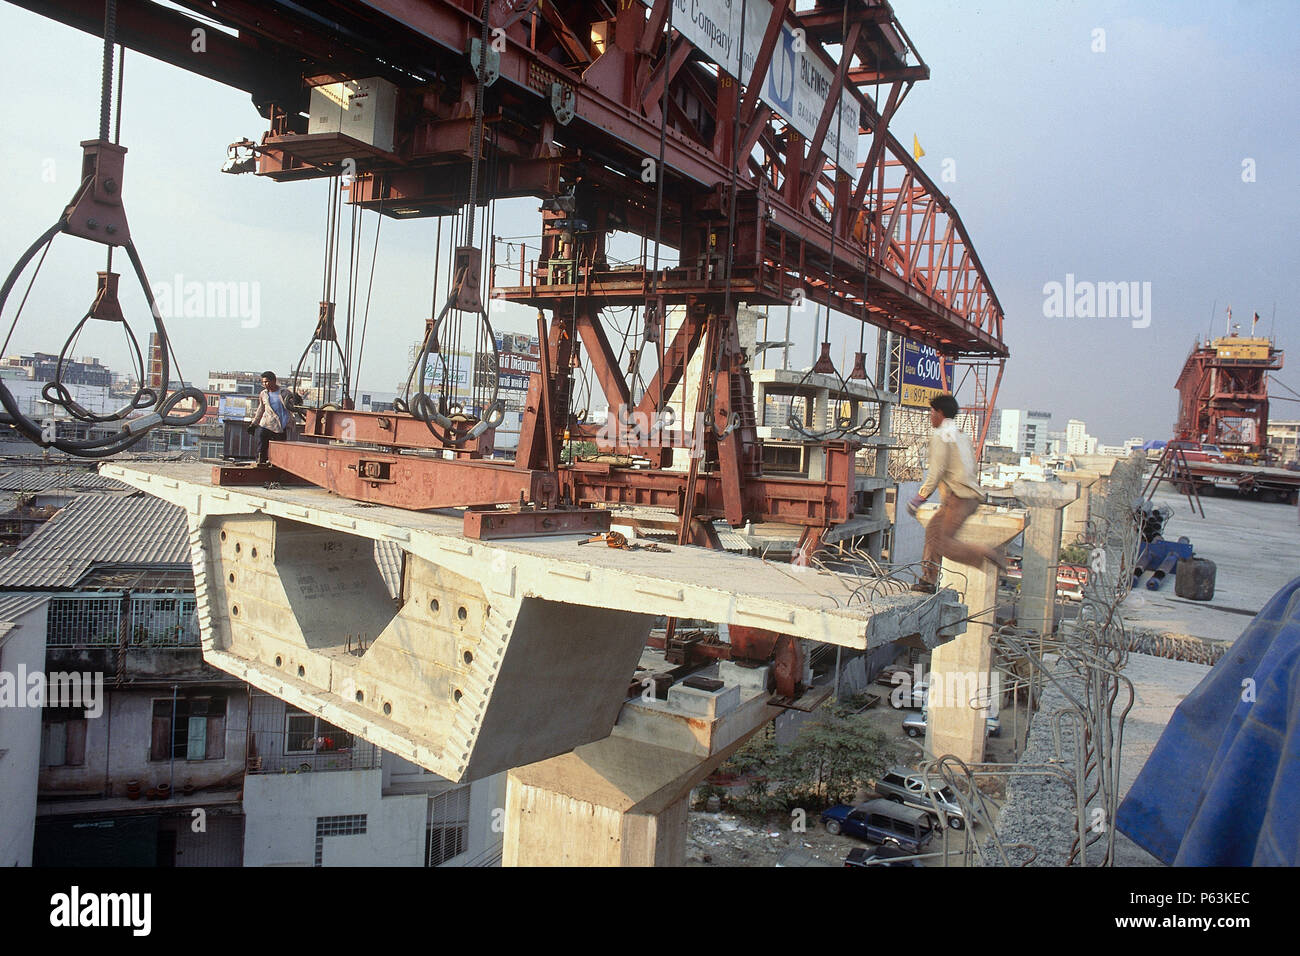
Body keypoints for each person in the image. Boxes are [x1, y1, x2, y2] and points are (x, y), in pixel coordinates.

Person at [907, 393, 1003, 592]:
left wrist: (919, 498)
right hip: (964, 496)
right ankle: (928, 580)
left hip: (960, 497)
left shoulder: (941, 435)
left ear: (940, 413)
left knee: (942, 543)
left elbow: (937, 470)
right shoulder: (961, 434)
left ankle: (984, 552)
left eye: (932, 412)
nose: (930, 416)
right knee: (933, 533)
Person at [247, 371, 294, 465]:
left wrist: (295, 400)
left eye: (267, 382)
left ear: (274, 381)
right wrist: (254, 424)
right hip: (266, 424)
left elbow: (293, 406)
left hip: (280, 426)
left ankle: (277, 465)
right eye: (263, 382)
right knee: (262, 445)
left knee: (279, 448)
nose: (265, 384)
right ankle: (260, 462)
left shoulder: (284, 393)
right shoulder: (263, 394)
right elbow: (261, 409)